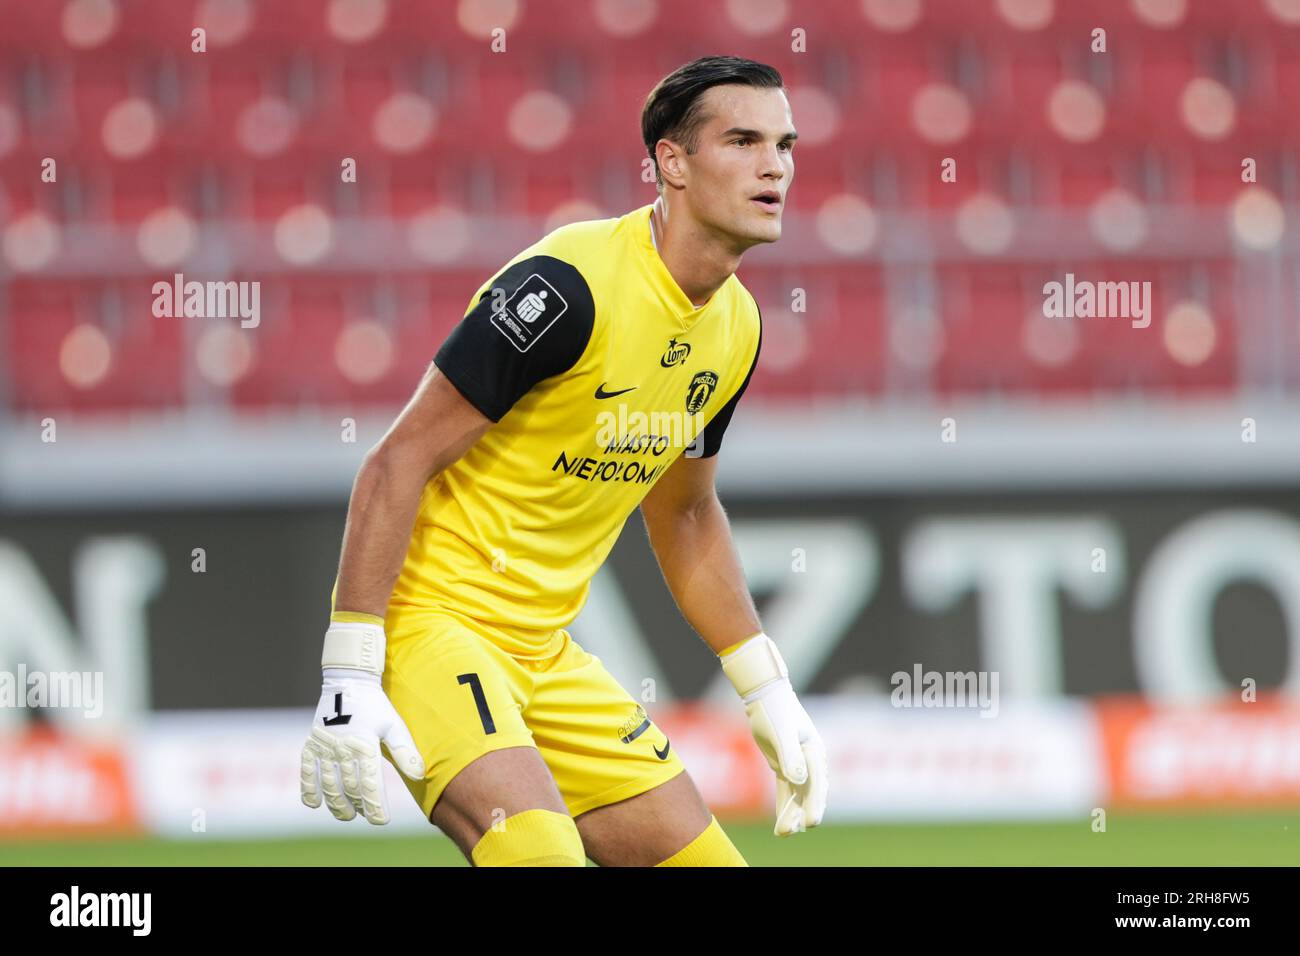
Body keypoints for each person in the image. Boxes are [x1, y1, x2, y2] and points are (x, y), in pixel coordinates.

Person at [300, 55, 827, 866]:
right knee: (538, 853)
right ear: (671, 163)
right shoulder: (566, 288)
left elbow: (684, 513)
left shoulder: (738, 329)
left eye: (785, 145)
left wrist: (765, 685)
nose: (775, 166)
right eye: (744, 141)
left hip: (544, 650)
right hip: (434, 622)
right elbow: (395, 462)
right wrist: (350, 669)